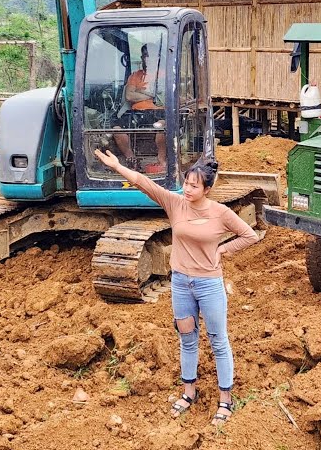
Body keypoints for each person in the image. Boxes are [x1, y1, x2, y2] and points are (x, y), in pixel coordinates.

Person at [93, 149, 260, 426]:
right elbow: (144, 183)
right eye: (186, 183)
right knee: (187, 338)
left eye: (194, 185)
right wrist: (117, 166)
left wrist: (222, 250)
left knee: (218, 340)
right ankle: (188, 392)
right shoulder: (175, 204)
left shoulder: (221, 213)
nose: (187, 188)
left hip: (209, 284)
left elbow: (249, 235)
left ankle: (225, 399)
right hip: (181, 283)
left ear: (207, 188)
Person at [113, 44, 167, 173]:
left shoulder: (165, 75)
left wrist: (139, 93)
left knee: (162, 126)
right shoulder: (135, 76)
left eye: (151, 55)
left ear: (158, 58)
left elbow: (164, 95)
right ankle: (132, 160)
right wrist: (151, 94)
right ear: (142, 58)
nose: (148, 58)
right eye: (145, 55)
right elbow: (129, 95)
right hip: (135, 113)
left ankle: (162, 160)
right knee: (116, 129)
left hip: (158, 112)